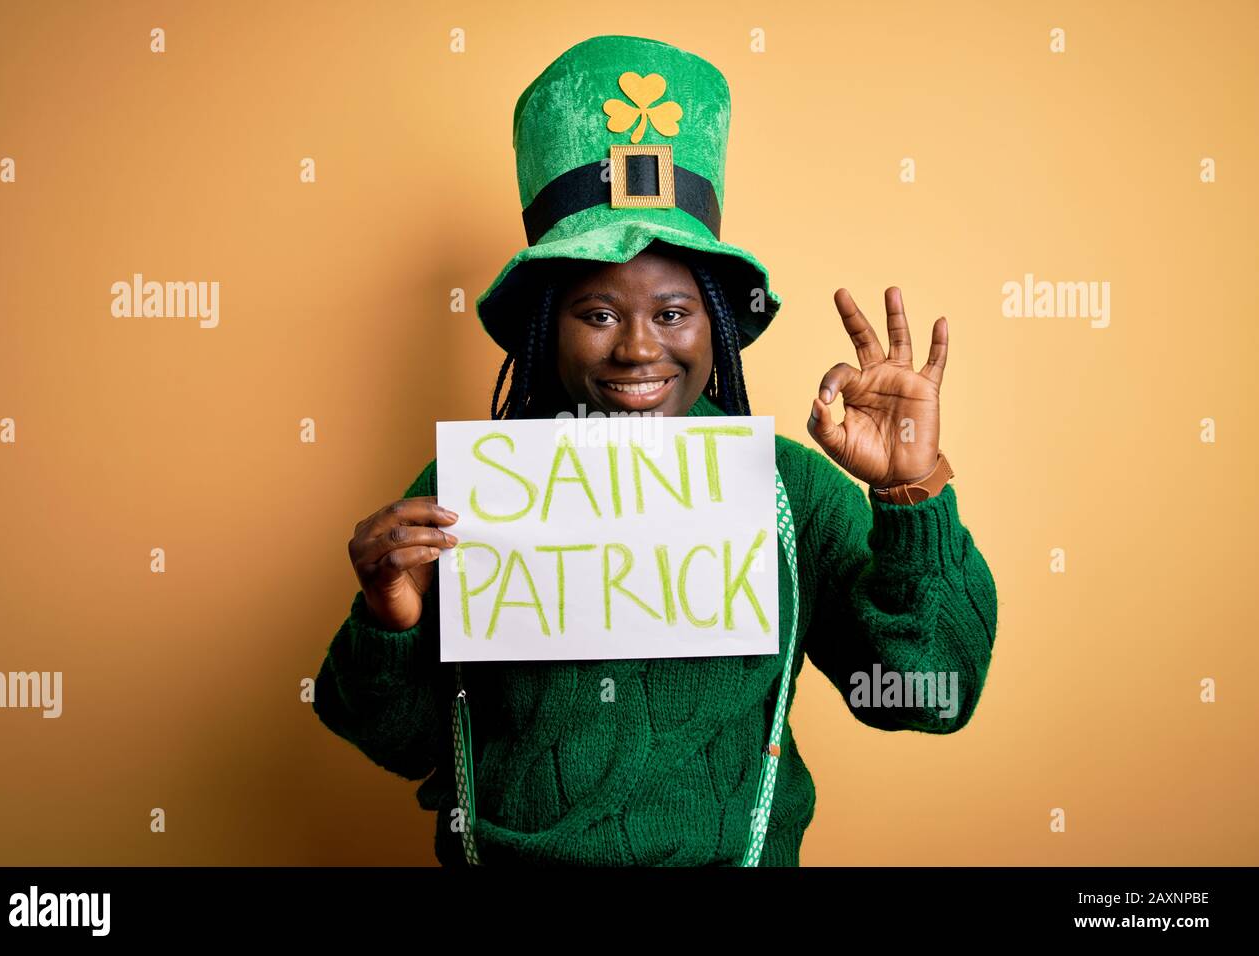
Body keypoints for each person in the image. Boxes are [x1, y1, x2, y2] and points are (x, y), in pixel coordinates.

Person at [311, 34, 998, 867]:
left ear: (717, 324)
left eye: (672, 313)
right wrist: (390, 620)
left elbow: (934, 695)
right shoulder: (472, 490)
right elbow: (405, 744)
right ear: (544, 329)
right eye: (598, 314)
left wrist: (913, 491)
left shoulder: (788, 492)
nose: (638, 350)